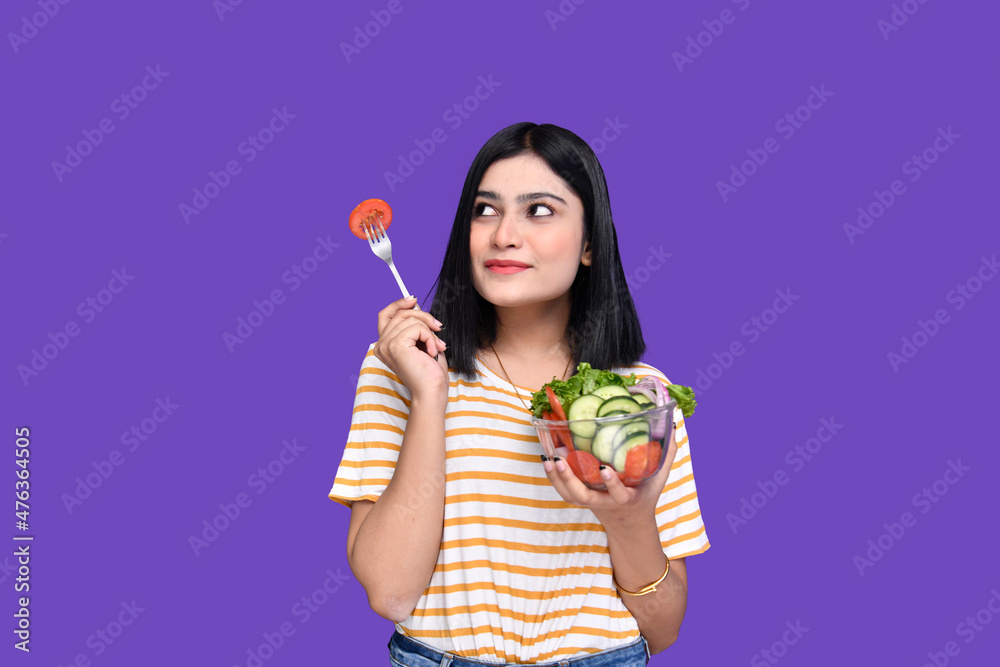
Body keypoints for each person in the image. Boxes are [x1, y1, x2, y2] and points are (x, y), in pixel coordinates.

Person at [329, 122, 710, 666]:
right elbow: (390, 594)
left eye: (539, 210)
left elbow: (664, 629)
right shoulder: (401, 367)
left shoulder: (640, 398)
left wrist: (629, 521)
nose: (503, 235)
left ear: (589, 245)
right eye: (485, 210)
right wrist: (431, 396)